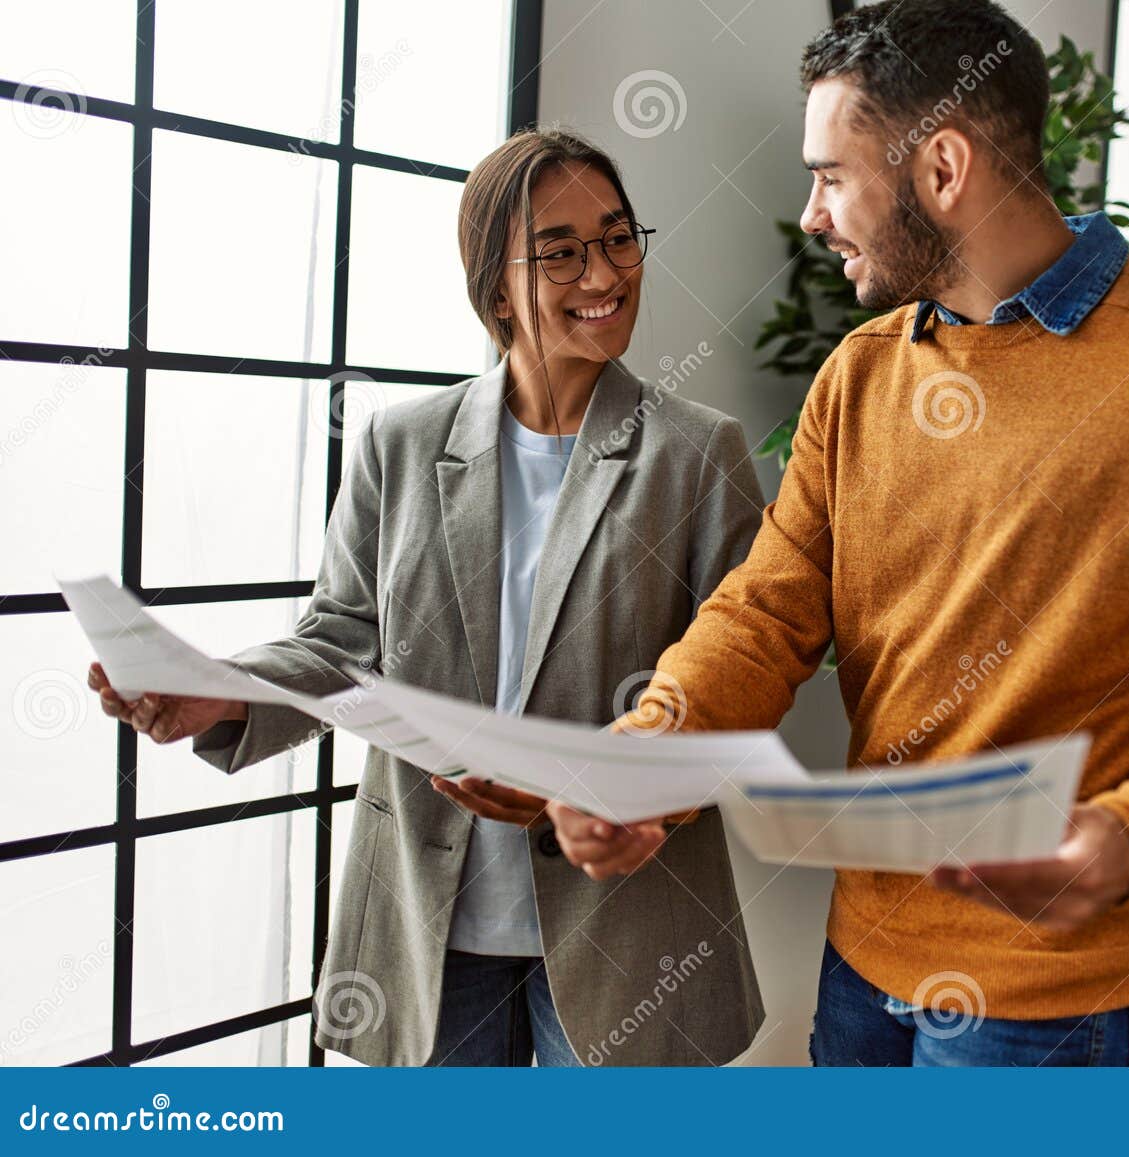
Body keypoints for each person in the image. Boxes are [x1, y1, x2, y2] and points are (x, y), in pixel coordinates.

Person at [534, 0, 1129, 1067]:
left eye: (832, 176)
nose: (812, 215)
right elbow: (766, 612)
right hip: (865, 957)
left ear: (943, 168)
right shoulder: (861, 372)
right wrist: (650, 749)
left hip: (1062, 993)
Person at [87, 128, 768, 1067]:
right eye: (561, 252)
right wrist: (223, 693)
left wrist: (609, 787)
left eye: (618, 237)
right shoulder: (399, 444)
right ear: (497, 291)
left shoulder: (696, 451)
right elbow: (338, 643)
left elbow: (736, 680)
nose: (604, 272)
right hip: (430, 924)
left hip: (631, 922)